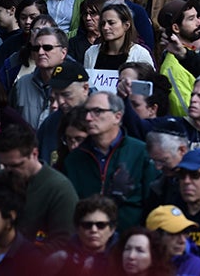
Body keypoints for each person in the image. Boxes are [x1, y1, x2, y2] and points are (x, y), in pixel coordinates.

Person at [66, 91, 159, 231]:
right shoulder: (74, 159)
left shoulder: (141, 152)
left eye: (97, 111)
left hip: (129, 241)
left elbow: (153, 203)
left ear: (117, 116)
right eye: (86, 111)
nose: (88, 117)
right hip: (86, 239)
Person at [0, 123, 77, 251]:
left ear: (35, 153)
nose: (9, 171)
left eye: (16, 165)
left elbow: (65, 242)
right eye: (4, 165)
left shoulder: (59, 189)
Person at [143, 205, 200, 275]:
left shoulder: (197, 266)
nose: (182, 241)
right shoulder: (138, 264)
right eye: (174, 233)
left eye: (185, 233)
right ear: (156, 236)